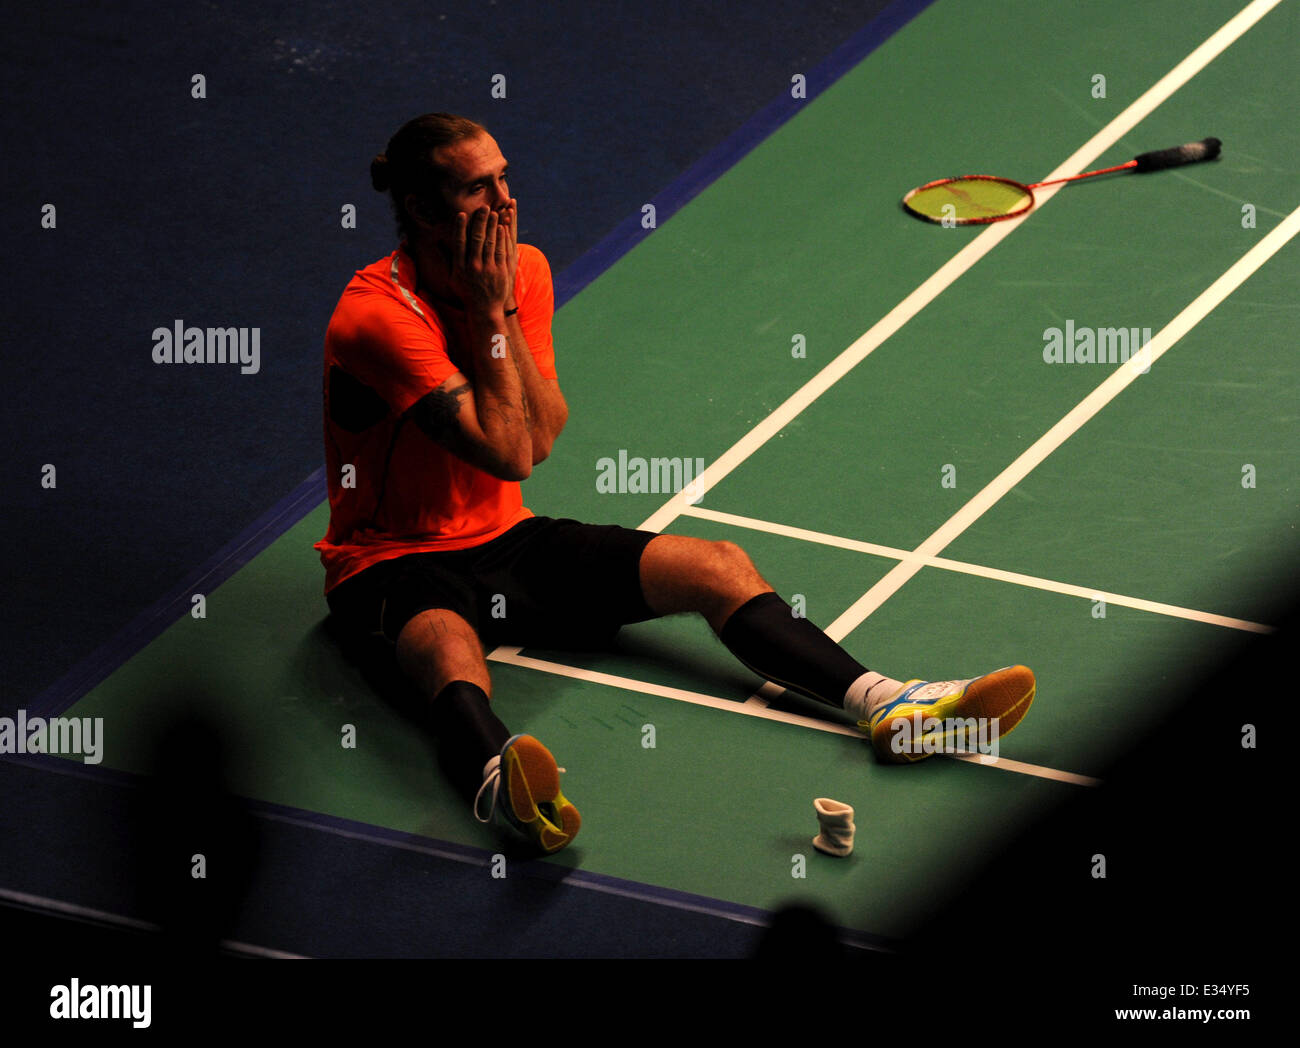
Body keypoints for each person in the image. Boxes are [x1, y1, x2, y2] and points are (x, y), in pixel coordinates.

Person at [316, 113, 1035, 854]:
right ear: (427, 211)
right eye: (477, 188)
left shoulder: (520, 271)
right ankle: (507, 786)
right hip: (389, 562)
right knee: (448, 648)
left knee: (716, 565)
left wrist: (494, 307)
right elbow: (509, 452)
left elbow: (544, 430)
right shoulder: (375, 317)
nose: (504, 201)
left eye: (504, 176)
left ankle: (890, 707)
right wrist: (487, 314)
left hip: (506, 538)